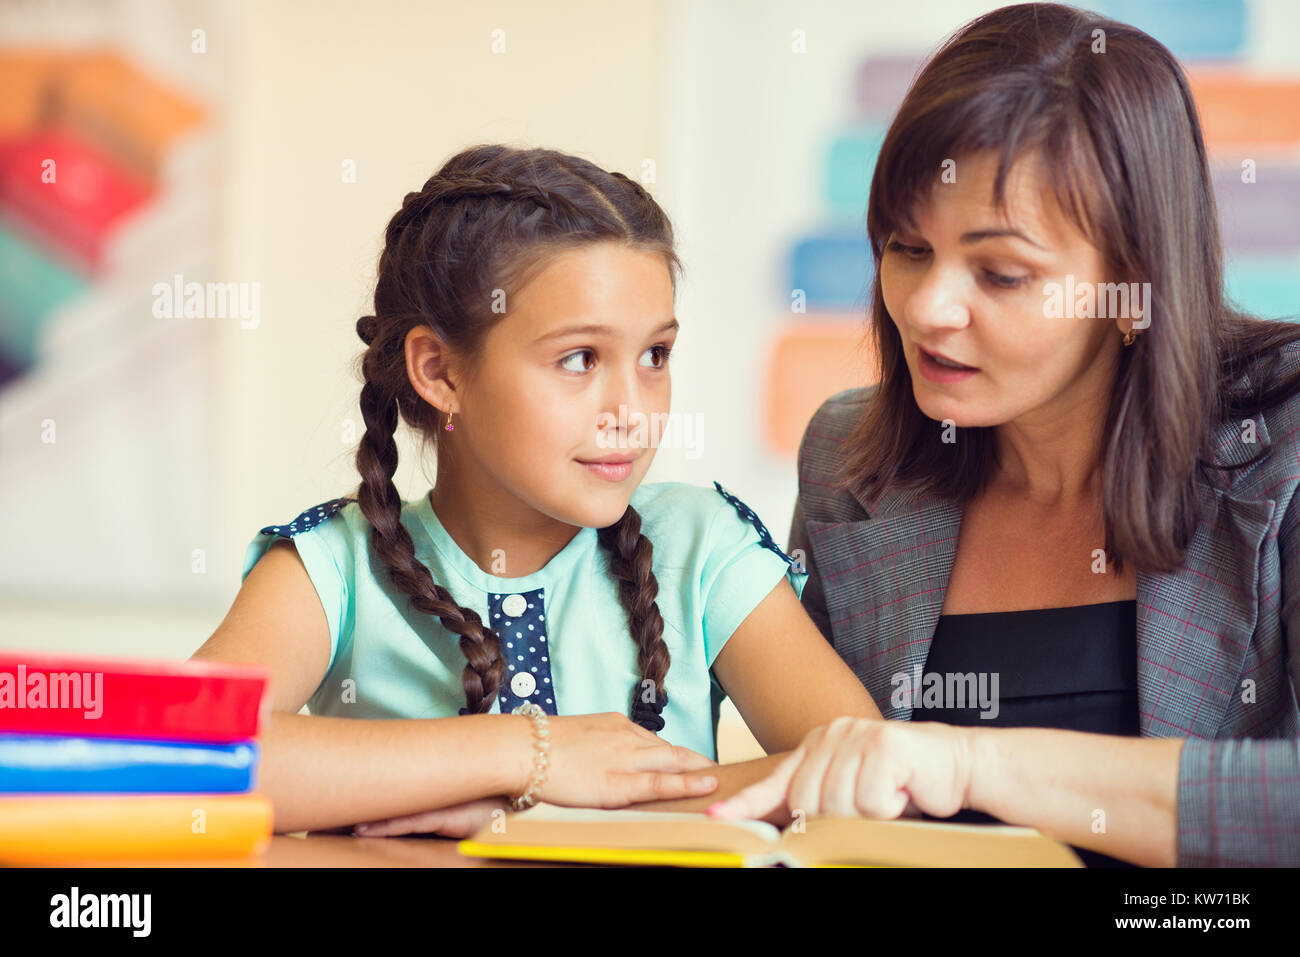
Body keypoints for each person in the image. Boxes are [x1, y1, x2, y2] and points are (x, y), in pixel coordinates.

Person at [707, 2, 1300, 867]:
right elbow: (829, 803)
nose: (927, 308)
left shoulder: (1282, 442)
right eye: (909, 248)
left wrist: (968, 763)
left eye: (1001, 273)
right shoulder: (846, 460)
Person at [191, 144, 879, 836]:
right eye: (579, 359)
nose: (632, 411)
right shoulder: (333, 567)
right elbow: (183, 756)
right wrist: (526, 754)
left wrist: (528, 807)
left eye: (655, 355)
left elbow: (869, 772)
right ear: (440, 371)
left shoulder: (702, 547)